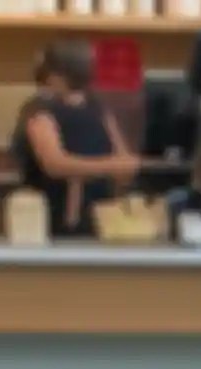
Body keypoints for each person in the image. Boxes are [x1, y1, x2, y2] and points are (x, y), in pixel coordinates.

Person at [20, 40, 139, 238]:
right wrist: (108, 166)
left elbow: (124, 161)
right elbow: (55, 164)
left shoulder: (97, 107)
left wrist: (122, 167)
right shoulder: (40, 110)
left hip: (100, 218)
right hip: (51, 218)